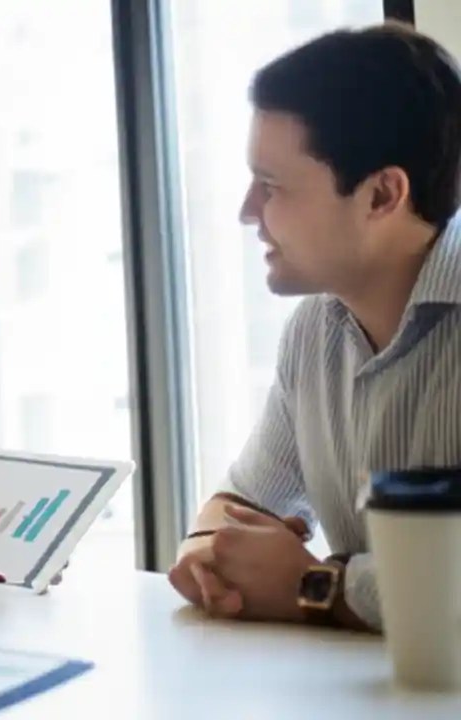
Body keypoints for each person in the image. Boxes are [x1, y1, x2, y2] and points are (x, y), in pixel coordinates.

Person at [168, 23, 461, 632]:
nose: (247, 211)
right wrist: (210, 557)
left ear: (382, 194)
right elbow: (239, 507)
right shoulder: (315, 330)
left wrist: (314, 584)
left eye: (272, 185)